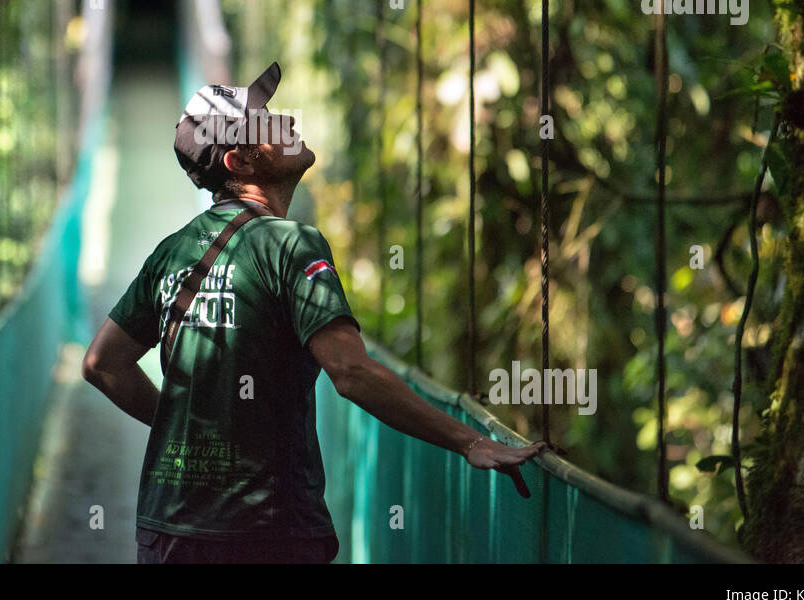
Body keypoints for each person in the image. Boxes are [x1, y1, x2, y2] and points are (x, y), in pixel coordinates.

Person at [82, 61, 547, 564]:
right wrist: (468, 441)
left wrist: (187, 427)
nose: (285, 120)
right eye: (265, 121)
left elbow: (102, 364)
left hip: (167, 529)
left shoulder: (171, 252)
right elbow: (349, 372)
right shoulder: (291, 245)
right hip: (265, 534)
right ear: (240, 162)